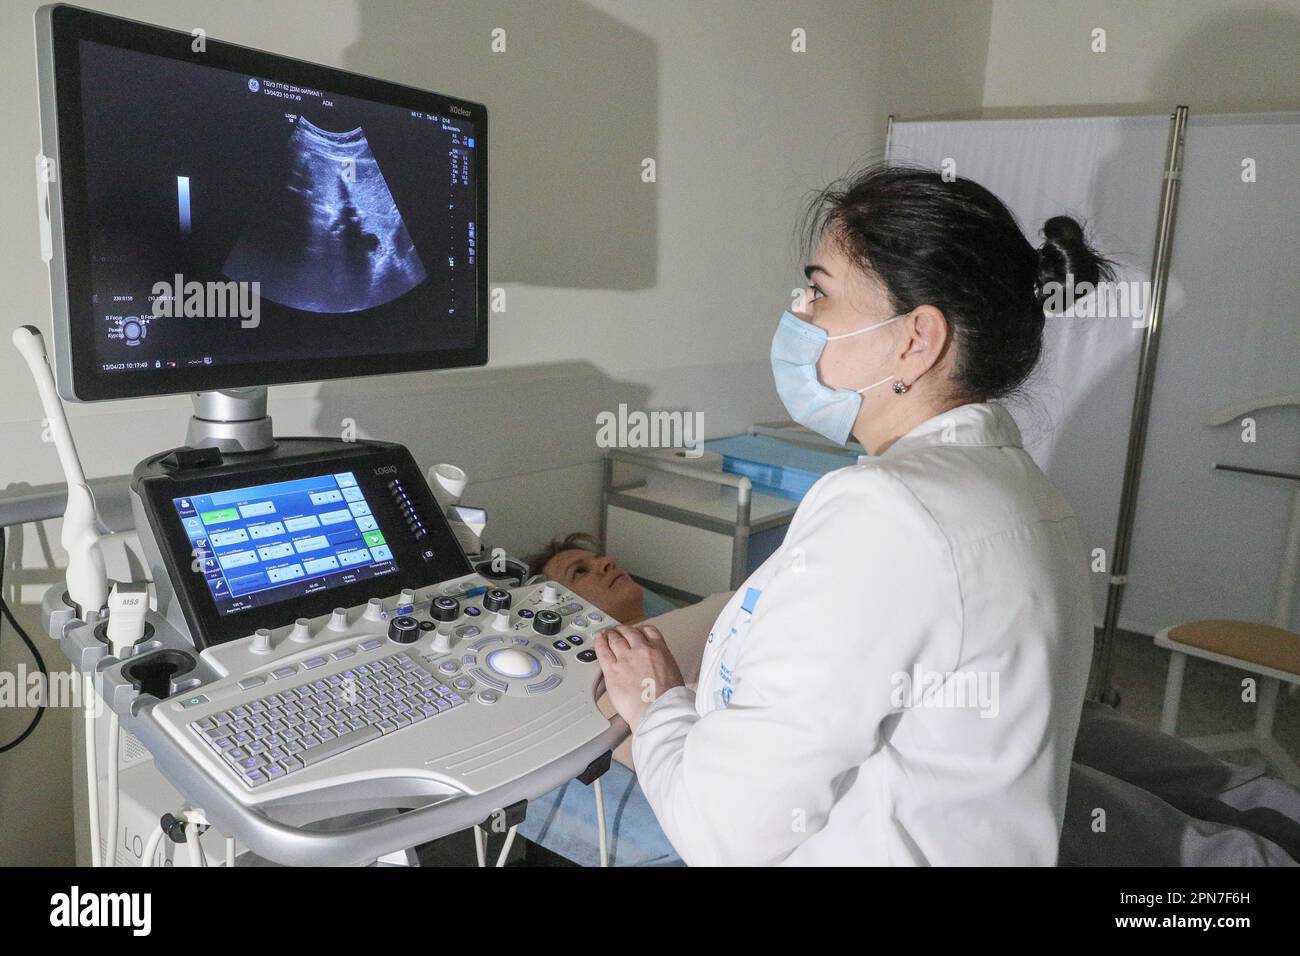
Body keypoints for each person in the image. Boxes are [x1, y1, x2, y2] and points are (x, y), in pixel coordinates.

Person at [591, 164, 1113, 865]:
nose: (798, 315)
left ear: (915, 340)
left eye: (819, 293)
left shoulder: (890, 511)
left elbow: (723, 830)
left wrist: (654, 705)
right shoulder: (1022, 490)